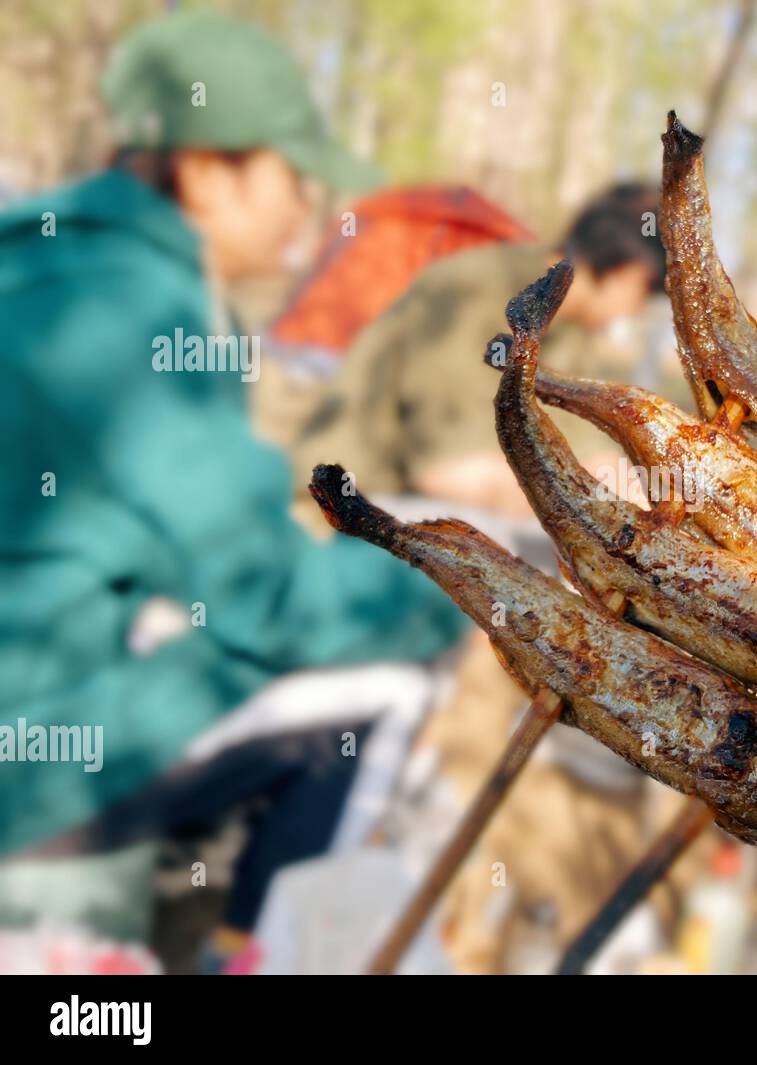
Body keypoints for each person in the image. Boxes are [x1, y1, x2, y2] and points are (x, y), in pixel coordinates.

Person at [0, 13, 466, 954]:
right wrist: (462, 580)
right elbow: (265, 594)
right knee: (388, 677)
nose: (306, 209)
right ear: (208, 172)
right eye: (290, 177)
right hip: (27, 749)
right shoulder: (127, 303)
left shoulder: (45, 258)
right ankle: (253, 953)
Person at [292, 183, 669, 512]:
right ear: (629, 272)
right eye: (643, 295)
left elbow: (588, 453)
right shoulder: (472, 291)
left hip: (419, 508)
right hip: (348, 504)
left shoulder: (573, 331)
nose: (634, 310)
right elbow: (451, 472)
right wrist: (598, 504)